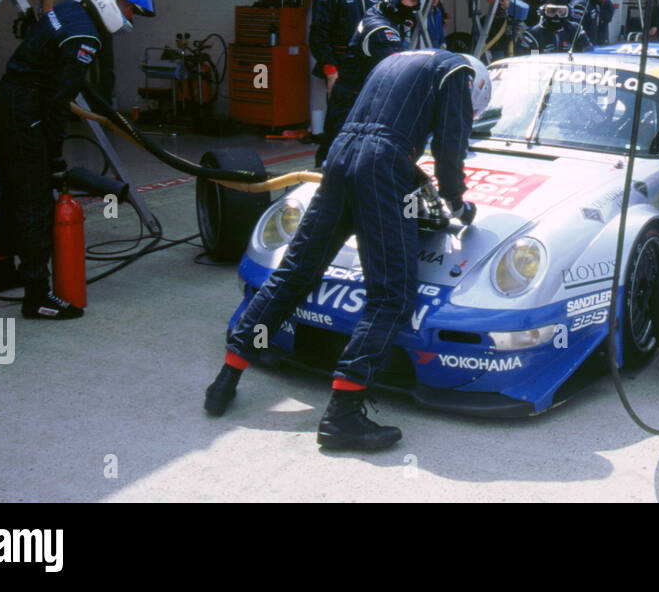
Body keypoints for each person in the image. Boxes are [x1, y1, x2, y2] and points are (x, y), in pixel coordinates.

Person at [204, 50, 492, 448]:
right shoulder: (458, 74)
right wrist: (456, 204)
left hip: (340, 160)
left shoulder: (399, 59)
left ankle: (225, 380)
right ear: (476, 88)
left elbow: (372, 125)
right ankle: (343, 414)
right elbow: (449, 149)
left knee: (294, 273)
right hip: (381, 167)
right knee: (391, 295)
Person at [0, 0, 155, 318]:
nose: (128, 17)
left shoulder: (68, 11)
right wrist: (55, 157)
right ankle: (37, 297)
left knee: (13, 192)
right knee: (36, 200)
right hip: (25, 108)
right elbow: (58, 103)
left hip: (5, 100)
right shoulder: (86, 38)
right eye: (127, 7)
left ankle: (1, 271)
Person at [310, 0, 380, 166]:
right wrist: (331, 71)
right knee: (338, 127)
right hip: (341, 73)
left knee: (368, 126)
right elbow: (318, 35)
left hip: (369, 72)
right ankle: (325, 171)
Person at [335, 0, 421, 110]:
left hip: (357, 98)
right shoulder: (381, 29)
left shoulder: (379, 13)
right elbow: (399, 73)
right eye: (412, 1)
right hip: (351, 105)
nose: (415, 7)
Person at [518, 0, 591, 53]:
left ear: (568, 12)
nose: (556, 16)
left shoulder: (576, 30)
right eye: (552, 11)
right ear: (544, 11)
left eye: (561, 12)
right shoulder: (534, 35)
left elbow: (587, 53)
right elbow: (533, 62)